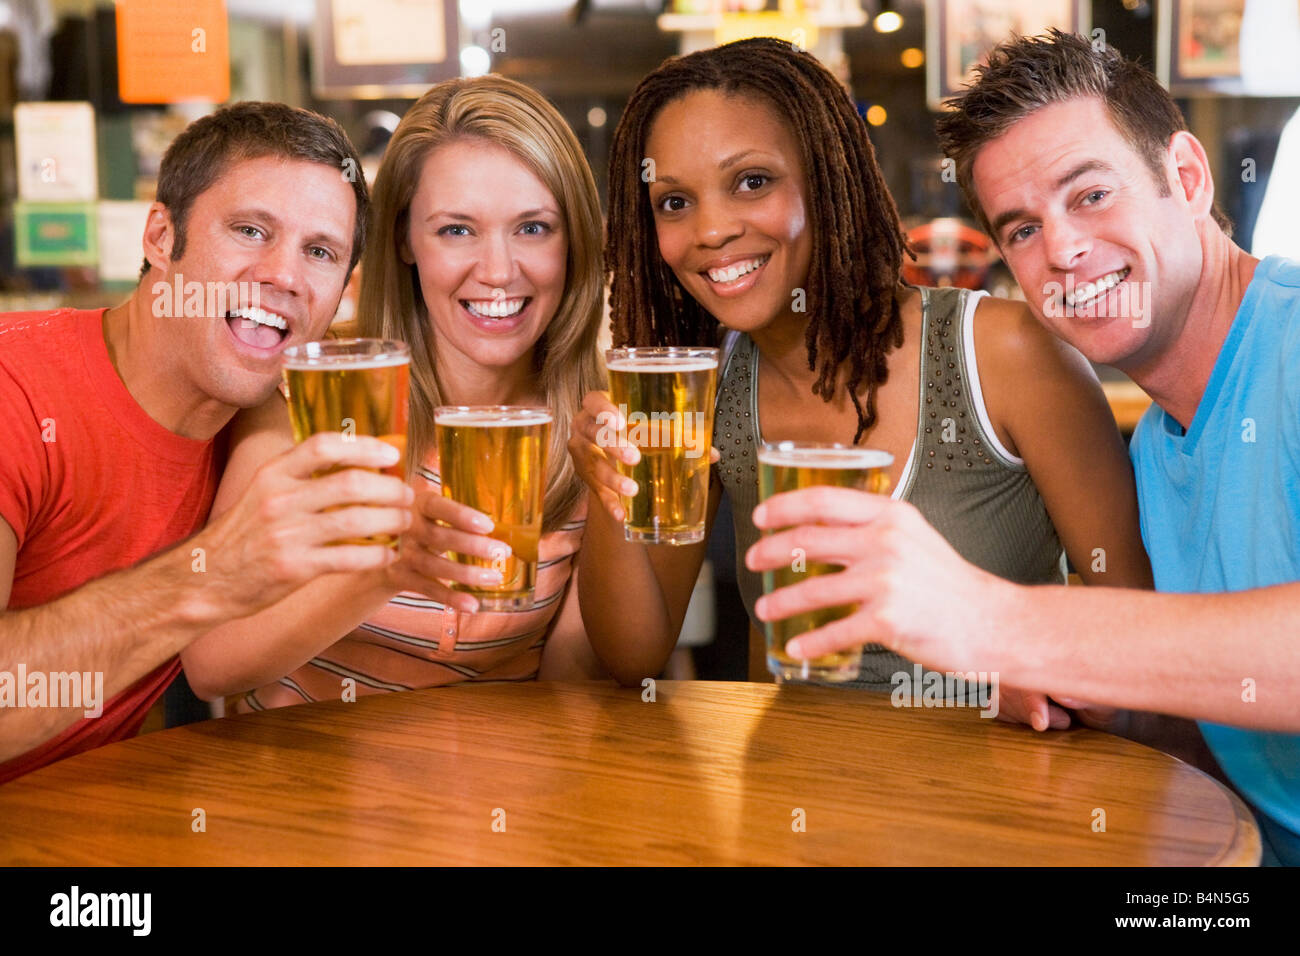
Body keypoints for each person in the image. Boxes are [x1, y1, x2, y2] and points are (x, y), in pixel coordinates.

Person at [747, 30, 1299, 865]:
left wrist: (1007, 624)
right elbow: (1206, 733)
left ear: (1186, 178)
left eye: (1090, 196)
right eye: (1022, 230)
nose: (1064, 252)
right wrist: (1079, 695)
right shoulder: (1157, 442)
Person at [568, 37, 1152, 728]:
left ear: (827, 179)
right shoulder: (710, 389)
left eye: (752, 181)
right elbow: (634, 654)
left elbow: (1141, 641)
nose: (713, 229)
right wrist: (606, 485)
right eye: (673, 202)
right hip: (799, 802)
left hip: (998, 807)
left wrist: (1034, 677)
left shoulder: (1008, 352)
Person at [0, 102, 413, 782]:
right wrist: (210, 574)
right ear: (160, 236)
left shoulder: (275, 421)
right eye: (251, 230)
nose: (282, 275)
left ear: (341, 292)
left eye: (319, 252)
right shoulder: (19, 390)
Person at [181, 76, 607, 709]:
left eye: (534, 228)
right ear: (405, 240)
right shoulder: (319, 391)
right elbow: (212, 664)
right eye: (456, 230)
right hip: (300, 792)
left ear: (573, 241)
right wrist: (385, 571)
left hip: (497, 791)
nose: (496, 270)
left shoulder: (587, 423)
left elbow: (570, 683)